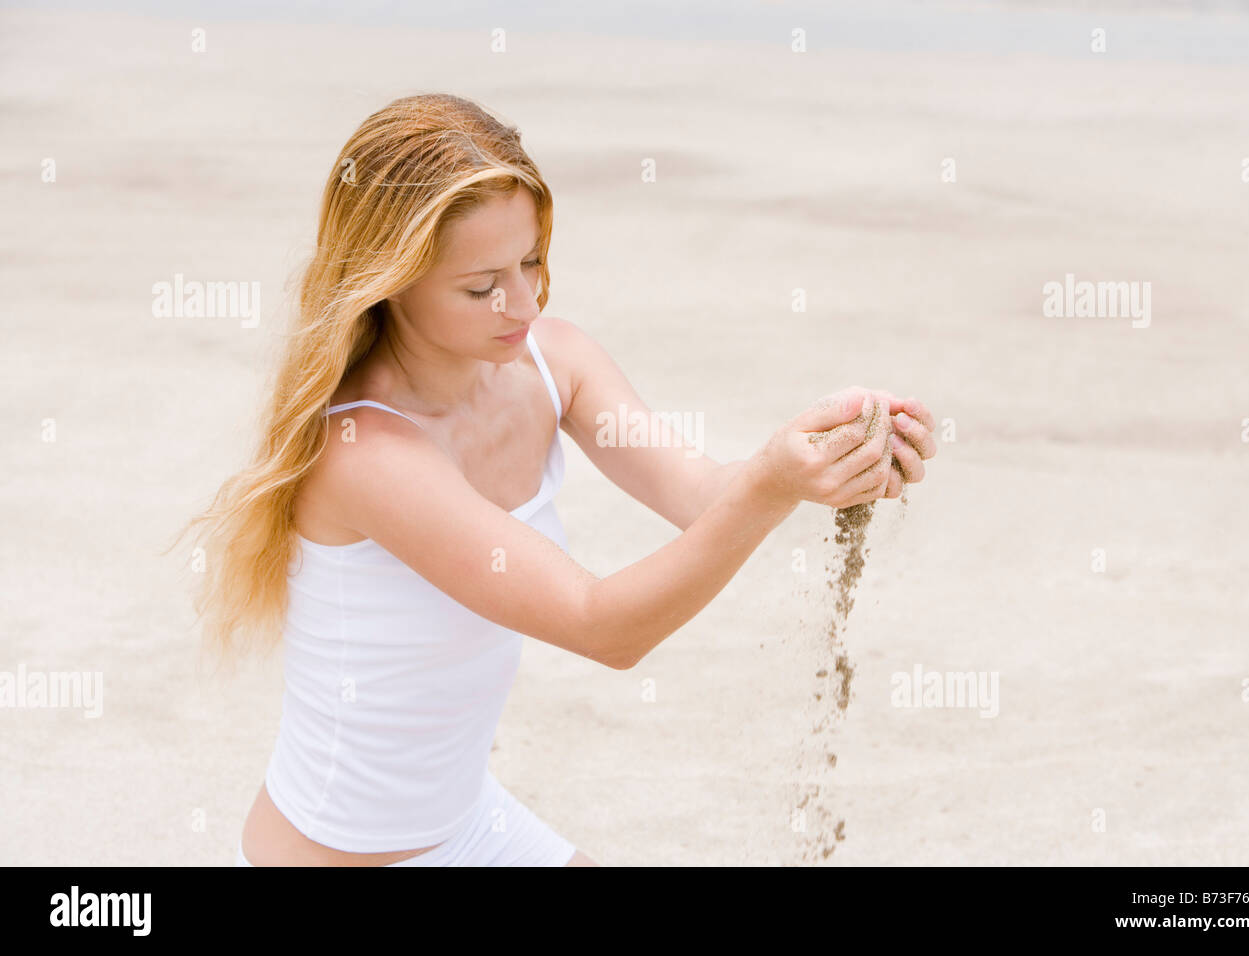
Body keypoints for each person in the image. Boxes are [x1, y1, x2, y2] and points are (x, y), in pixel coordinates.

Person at [179, 92, 938, 867]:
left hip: (470, 825)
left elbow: (706, 495)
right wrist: (771, 488)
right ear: (393, 280)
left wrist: (822, 455)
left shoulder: (554, 362)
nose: (526, 300)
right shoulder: (365, 454)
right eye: (482, 286)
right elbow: (603, 626)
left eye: (533, 261)